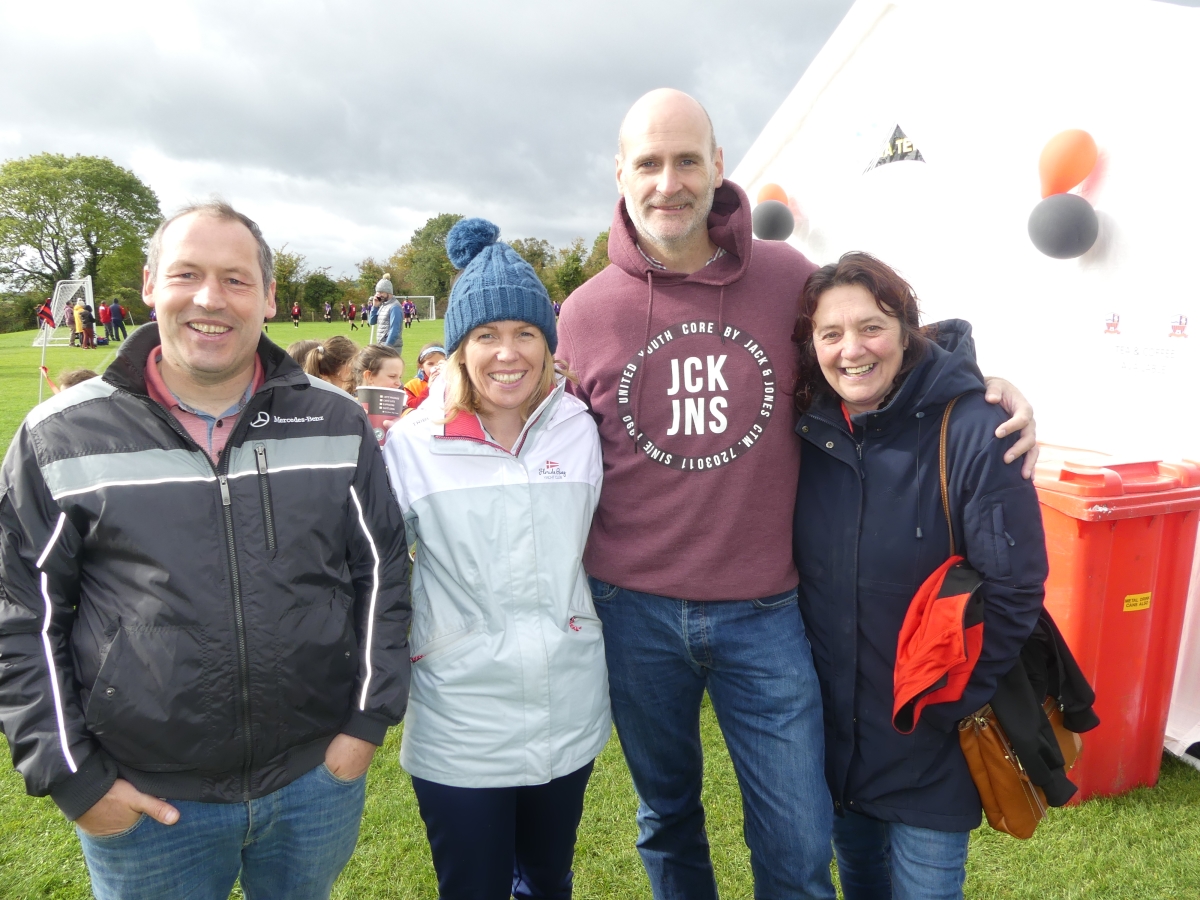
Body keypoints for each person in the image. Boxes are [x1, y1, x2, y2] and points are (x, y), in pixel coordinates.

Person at [555, 88, 1038, 899]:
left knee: (796, 832)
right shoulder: (583, 313)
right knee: (665, 813)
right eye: (648, 162)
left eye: (685, 159)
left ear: (717, 165)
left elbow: (881, 346)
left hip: (769, 611)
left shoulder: (787, 280)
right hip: (632, 610)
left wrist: (986, 386)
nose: (667, 181)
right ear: (621, 174)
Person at [0, 200, 411, 900]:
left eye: (236, 278)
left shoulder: (334, 419)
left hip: (315, 781)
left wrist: (365, 726)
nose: (210, 298)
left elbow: (382, 575)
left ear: (269, 297)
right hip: (149, 798)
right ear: (151, 283)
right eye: (188, 273)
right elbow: (21, 617)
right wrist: (72, 779)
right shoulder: (59, 435)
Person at [791, 253, 1048, 899]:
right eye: (831, 334)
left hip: (929, 747)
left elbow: (1015, 587)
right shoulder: (805, 431)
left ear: (907, 331)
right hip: (836, 746)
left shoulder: (974, 427)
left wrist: (949, 704)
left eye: (871, 326)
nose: (852, 349)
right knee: (861, 885)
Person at [383, 218, 608, 900]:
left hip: (566, 710)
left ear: (548, 342)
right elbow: (371, 574)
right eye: (486, 335)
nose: (506, 353)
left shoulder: (580, 426)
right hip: (461, 718)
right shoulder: (414, 442)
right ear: (458, 345)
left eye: (525, 334)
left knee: (547, 879)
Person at [403, 343, 446, 411]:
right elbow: (410, 407)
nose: (436, 367)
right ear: (421, 366)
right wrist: (428, 388)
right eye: (430, 364)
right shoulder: (412, 386)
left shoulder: (453, 382)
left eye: (440, 363)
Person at [373, 275, 403, 355]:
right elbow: (372, 321)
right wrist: (375, 306)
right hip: (382, 346)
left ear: (389, 292)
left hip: (391, 348)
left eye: (381, 292)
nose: (379, 295)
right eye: (377, 292)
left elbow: (394, 330)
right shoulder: (383, 305)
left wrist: (386, 348)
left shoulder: (395, 307)